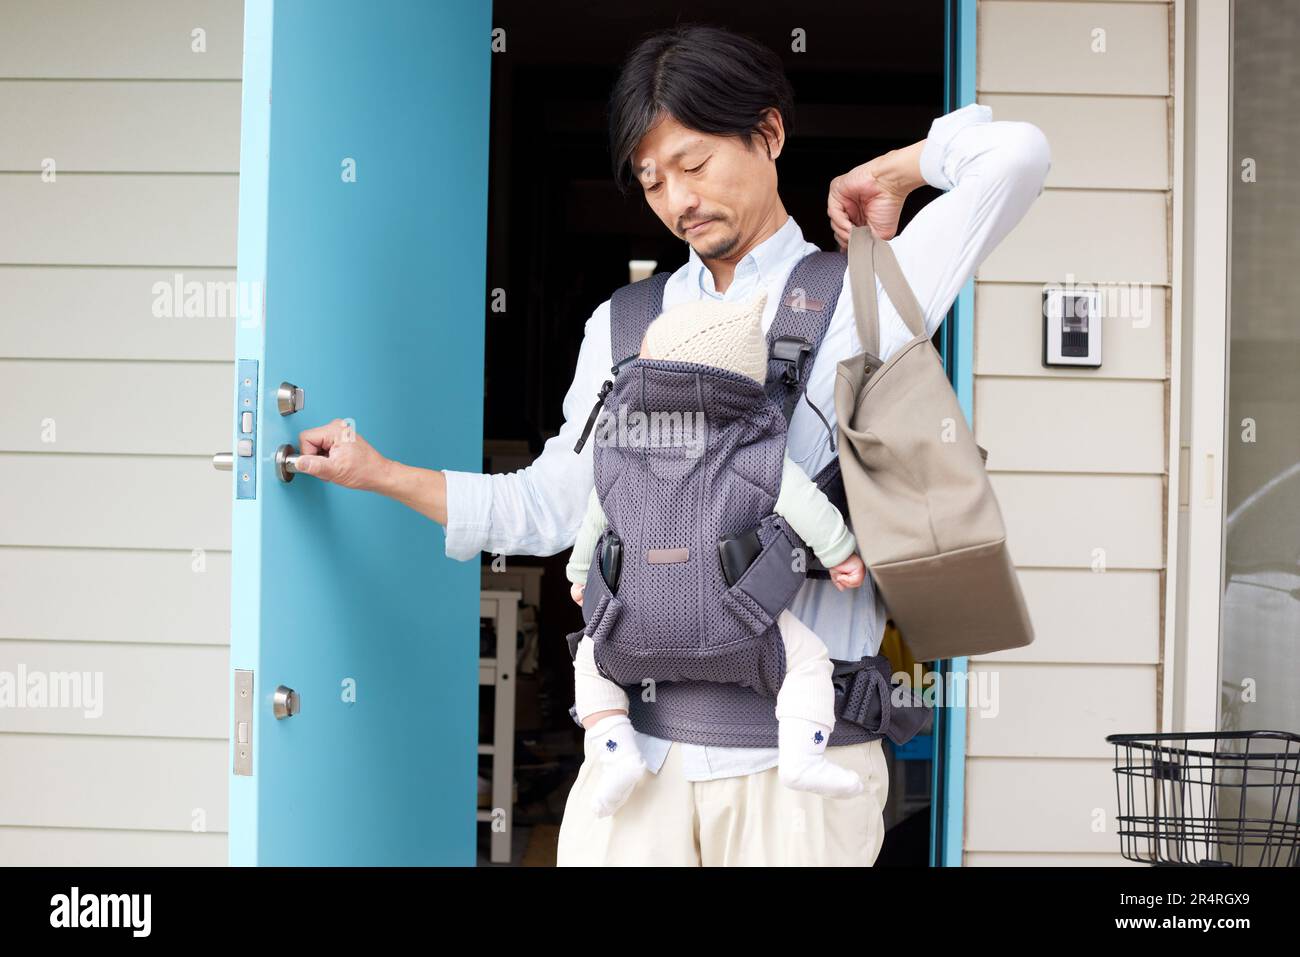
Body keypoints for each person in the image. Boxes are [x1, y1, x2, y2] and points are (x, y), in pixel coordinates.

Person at [291, 24, 1051, 866]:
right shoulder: (622, 327)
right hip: (637, 771)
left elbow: (1016, 157)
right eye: (653, 181)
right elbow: (551, 508)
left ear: (768, 134)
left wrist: (892, 171)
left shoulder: (867, 297)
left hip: (796, 778)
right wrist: (378, 471)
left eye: (694, 165)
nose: (677, 199)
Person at [565, 291, 868, 819]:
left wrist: (577, 575)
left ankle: (614, 753)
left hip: (628, 630)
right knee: (809, 662)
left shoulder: (618, 448)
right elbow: (809, 509)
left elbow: (594, 522)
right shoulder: (755, 448)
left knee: (589, 666)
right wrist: (842, 554)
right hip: (741, 626)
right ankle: (801, 755)